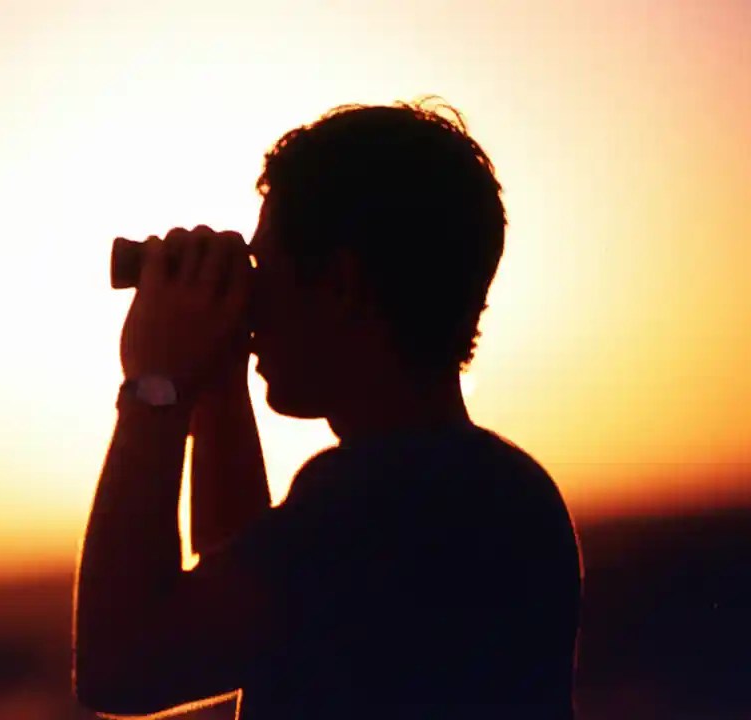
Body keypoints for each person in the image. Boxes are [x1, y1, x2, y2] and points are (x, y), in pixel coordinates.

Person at [74, 99, 582, 719]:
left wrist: (155, 387)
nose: (254, 304)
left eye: (268, 269)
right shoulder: (500, 490)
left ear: (340, 284)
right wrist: (218, 379)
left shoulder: (380, 500)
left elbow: (121, 666)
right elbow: (242, 578)